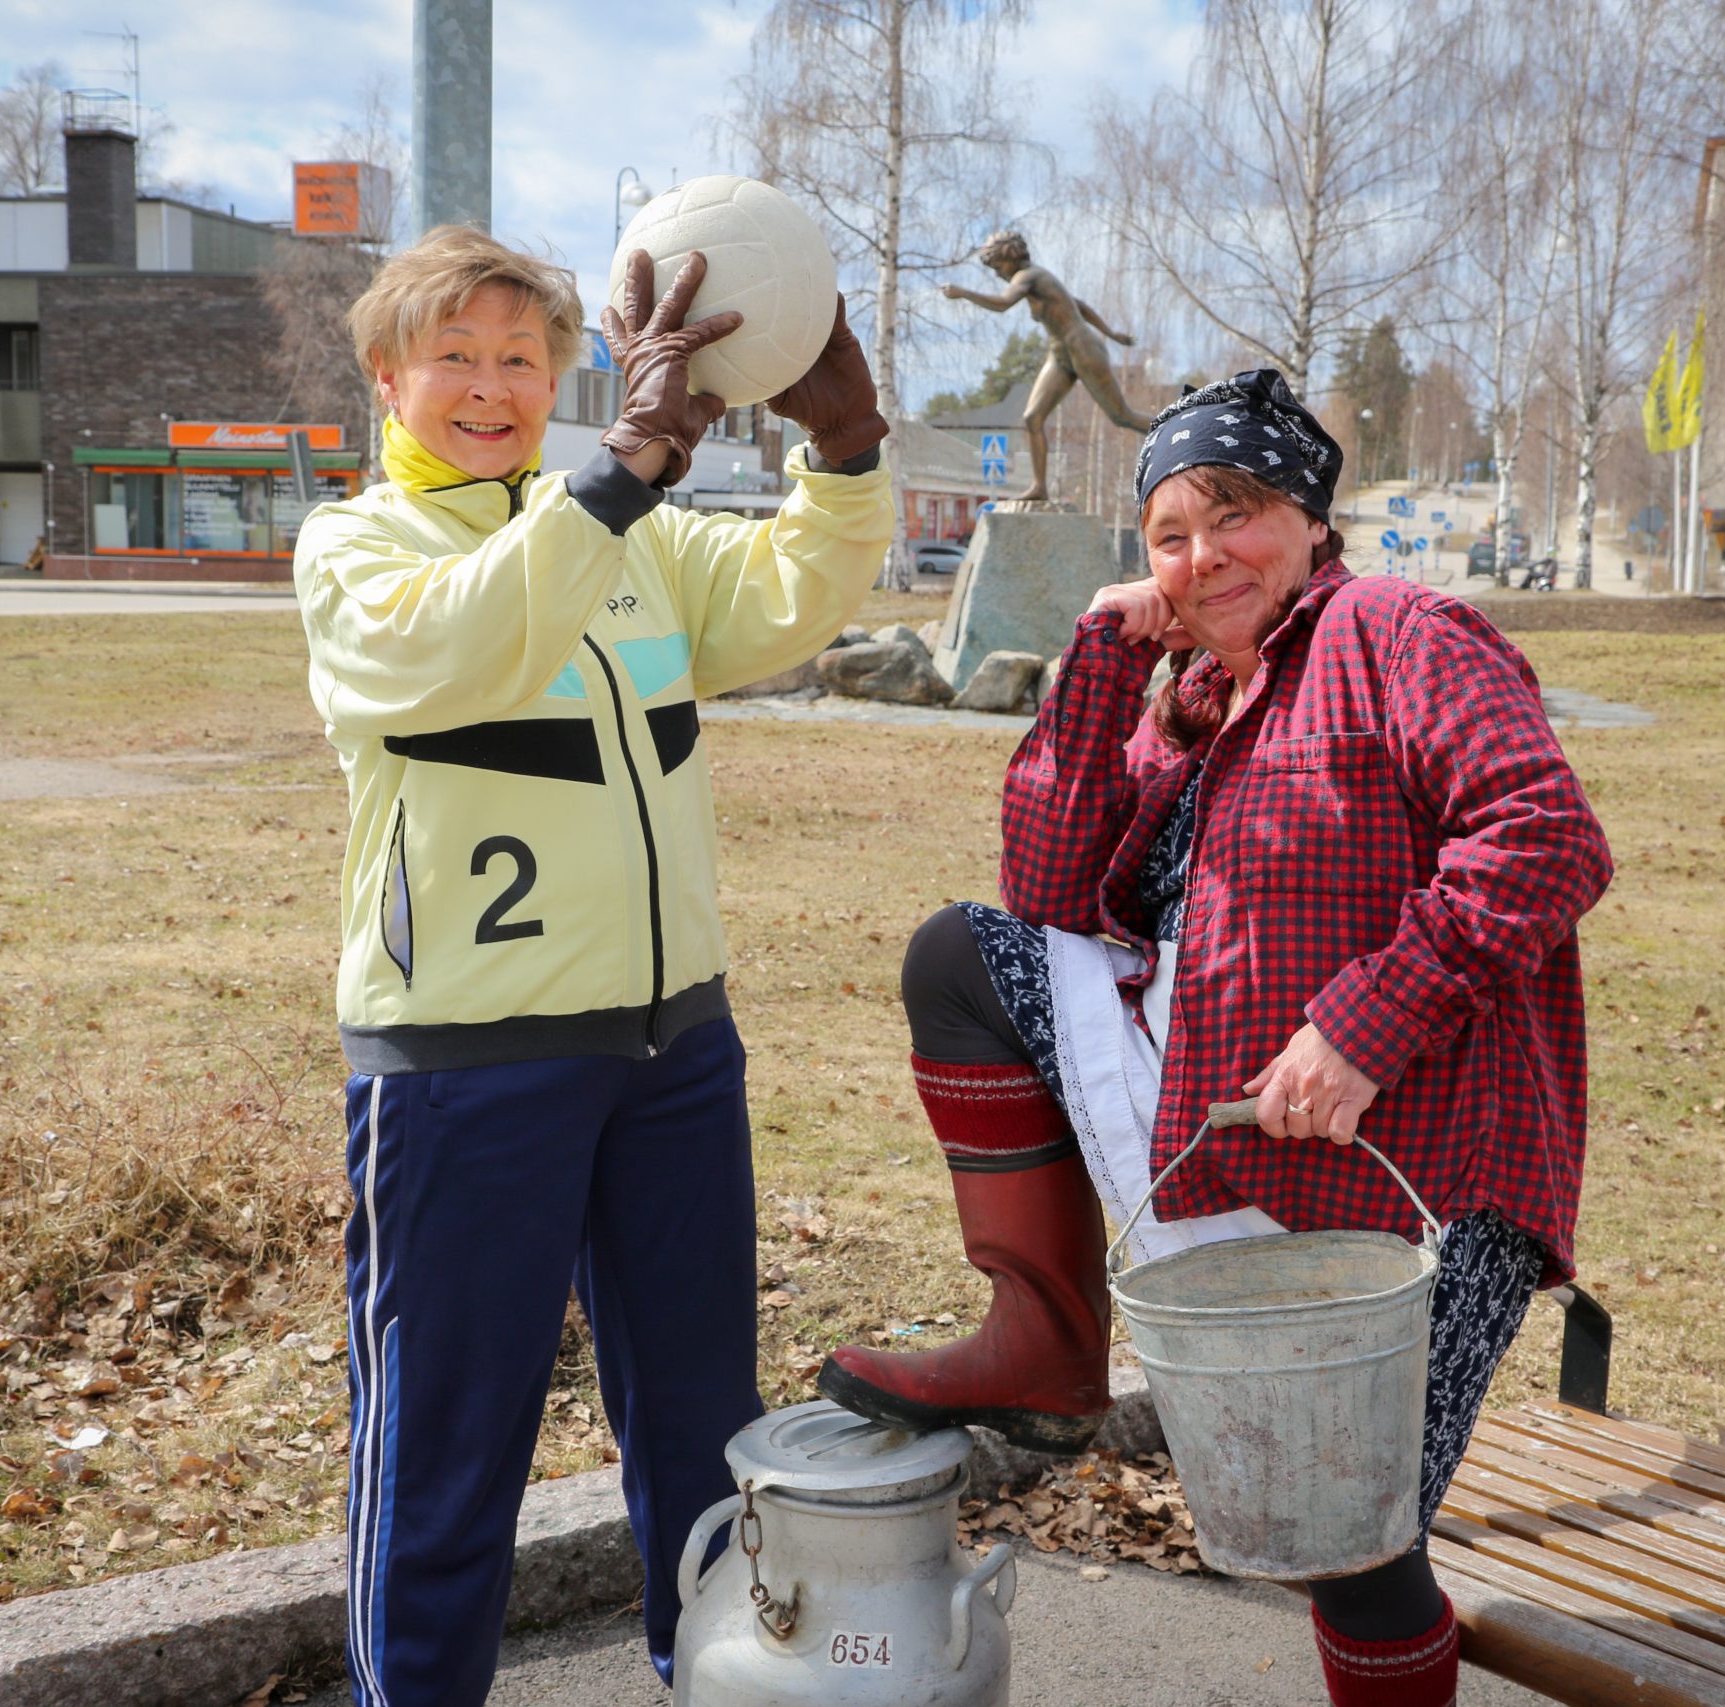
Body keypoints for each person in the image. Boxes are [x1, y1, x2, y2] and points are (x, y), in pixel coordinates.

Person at [819, 369, 1611, 1707]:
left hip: (1428, 1165)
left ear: (1309, 519)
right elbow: (1051, 895)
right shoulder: (1196, 699)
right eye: (1169, 535)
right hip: (1241, 1125)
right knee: (962, 956)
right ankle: (1046, 1335)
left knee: (1349, 1537)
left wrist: (1364, 1025)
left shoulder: (1395, 629)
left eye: (1232, 516)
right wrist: (1107, 663)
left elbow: (1543, 837)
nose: (1200, 557)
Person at [294, 225, 893, 1705]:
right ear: (388, 375)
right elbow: (466, 641)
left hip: (673, 1056)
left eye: (522, 357)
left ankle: (712, 1678)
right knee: (446, 1447)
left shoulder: (634, 535)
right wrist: (620, 474)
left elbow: (787, 595)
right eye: (457, 355)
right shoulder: (357, 545)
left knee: (702, 1431)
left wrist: (850, 450)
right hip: (464, 1071)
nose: (492, 385)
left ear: (559, 373)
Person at [941, 230, 1150, 502]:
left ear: (1012, 257)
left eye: (998, 266)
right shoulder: (1038, 280)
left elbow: (1004, 304)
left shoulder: (1028, 276)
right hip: (1060, 352)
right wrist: (1111, 333)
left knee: (1121, 415)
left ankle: (1178, 426)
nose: (997, 273)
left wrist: (963, 293)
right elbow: (1078, 305)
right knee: (1032, 418)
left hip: (1082, 347)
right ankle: (1039, 487)